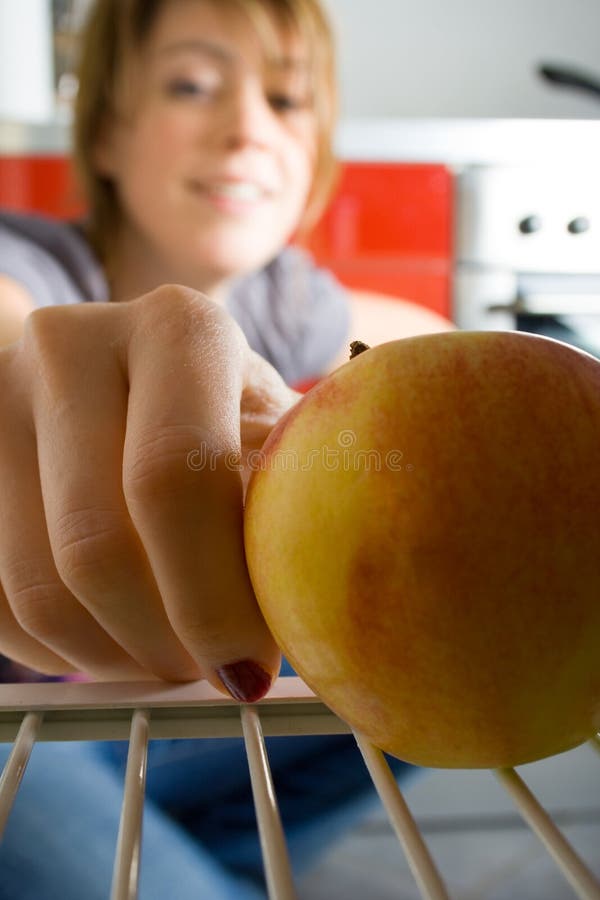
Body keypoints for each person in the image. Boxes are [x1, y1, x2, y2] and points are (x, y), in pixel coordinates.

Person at [0, 1, 453, 897]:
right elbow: (15, 335)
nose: (247, 127)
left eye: (286, 100)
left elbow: (443, 349)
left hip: (189, 714)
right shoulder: (35, 267)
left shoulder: (290, 303)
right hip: (23, 724)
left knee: (422, 683)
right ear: (108, 137)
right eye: (191, 84)